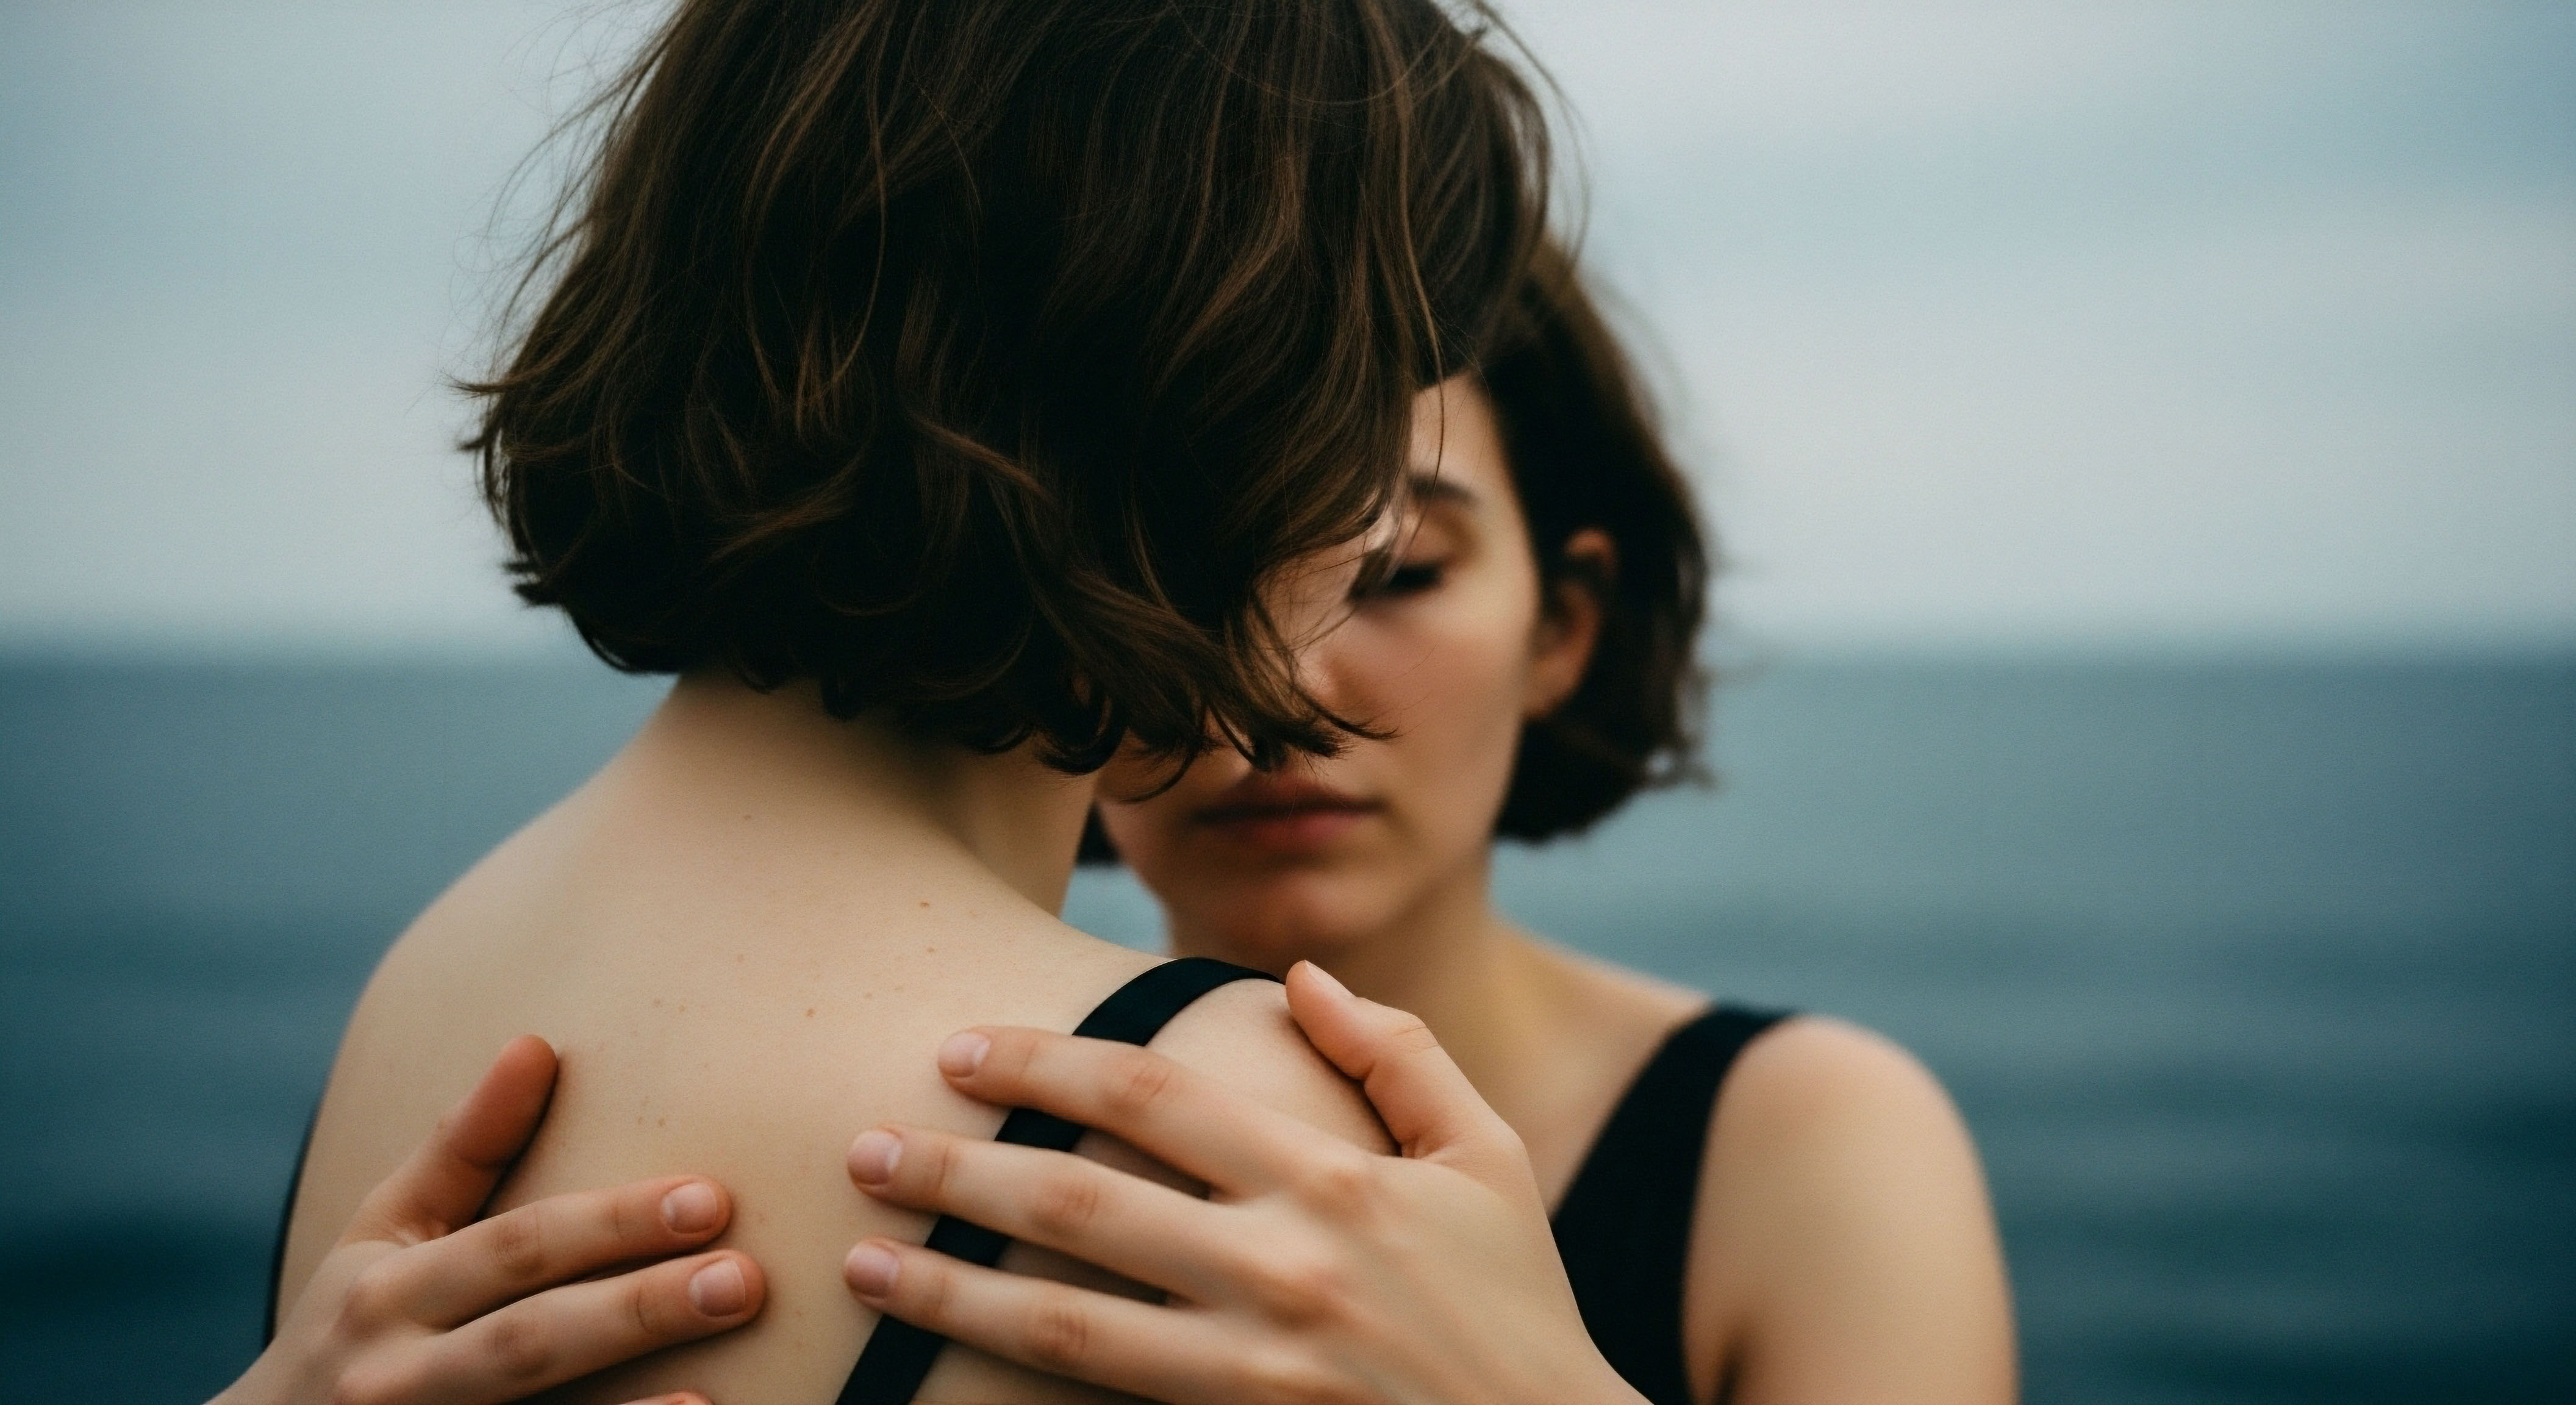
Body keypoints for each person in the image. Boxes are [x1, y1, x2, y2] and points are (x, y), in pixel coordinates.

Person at [268, 2, 1573, 1404]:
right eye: (1373, 382)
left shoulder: (434, 984)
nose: (1380, 513)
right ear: (1214, 390)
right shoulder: (1224, 1145)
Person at [829, 252, 2020, 1403]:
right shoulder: (887, 1142)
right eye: (1183, 583)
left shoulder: (1809, 1154)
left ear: (1561, 626)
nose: (1280, 696)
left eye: (1395, 572)